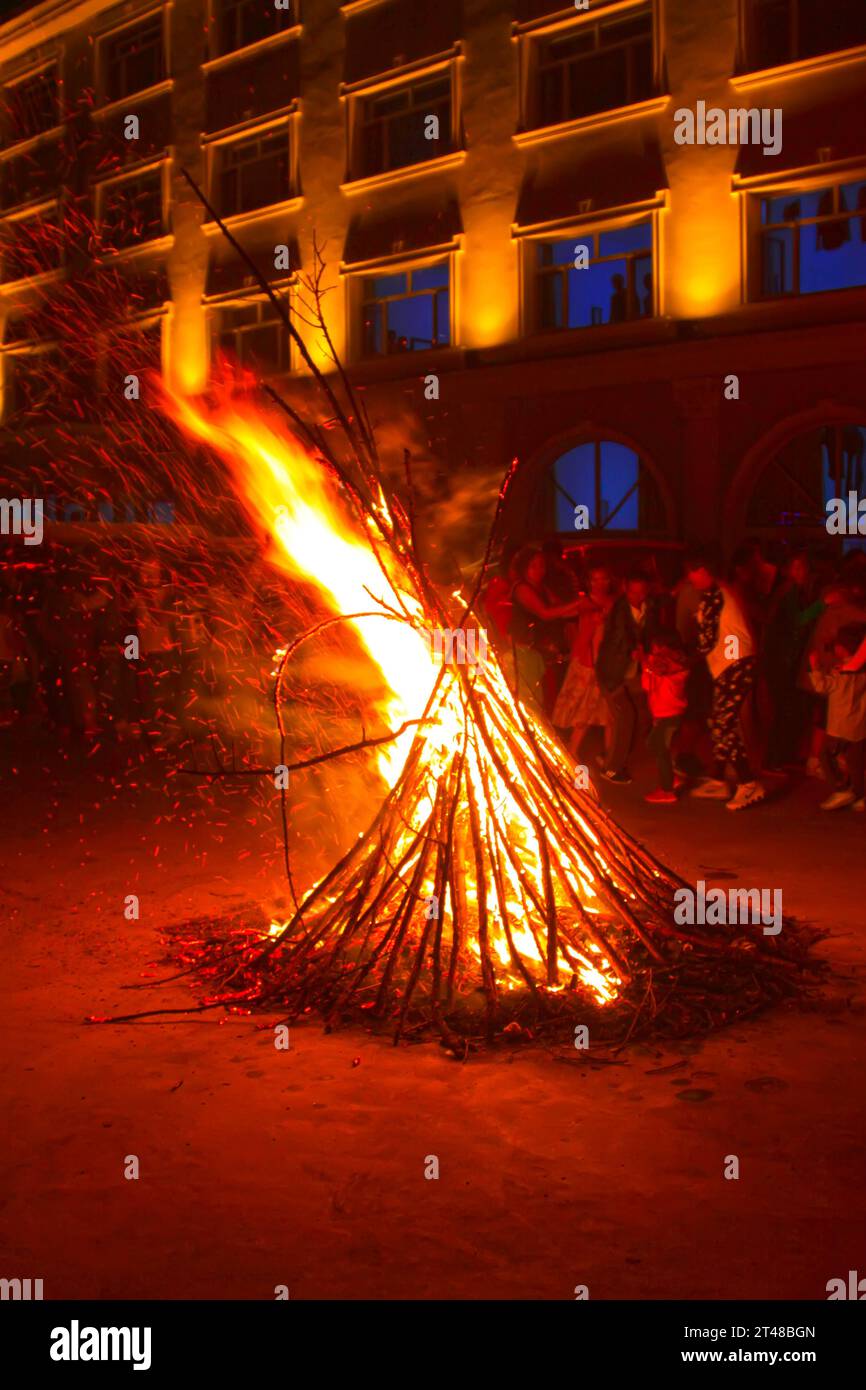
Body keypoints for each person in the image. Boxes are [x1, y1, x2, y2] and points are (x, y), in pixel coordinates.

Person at [685, 551, 766, 811]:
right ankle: (719, 779)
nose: (690, 578)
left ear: (705, 571)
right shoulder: (721, 592)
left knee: (723, 724)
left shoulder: (714, 595)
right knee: (718, 721)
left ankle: (748, 782)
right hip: (730, 665)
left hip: (735, 665)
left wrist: (680, 659)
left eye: (693, 571)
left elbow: (706, 640)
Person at [595, 567, 653, 784]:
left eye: (641, 592)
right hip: (613, 673)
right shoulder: (620, 611)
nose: (637, 596)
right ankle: (612, 768)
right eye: (633, 592)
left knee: (642, 715)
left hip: (632, 672)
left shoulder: (649, 606)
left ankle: (613, 757)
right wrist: (634, 650)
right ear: (626, 590)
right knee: (625, 717)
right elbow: (621, 637)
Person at [552, 563, 615, 758]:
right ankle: (573, 752)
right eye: (595, 579)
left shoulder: (613, 602)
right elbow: (561, 614)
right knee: (583, 711)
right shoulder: (583, 603)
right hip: (587, 664)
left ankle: (609, 758)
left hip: (606, 663)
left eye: (603, 578)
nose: (599, 583)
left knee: (609, 713)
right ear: (589, 582)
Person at [509, 546, 585, 710]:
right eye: (533, 566)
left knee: (550, 693)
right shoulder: (521, 588)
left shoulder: (542, 588)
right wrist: (578, 602)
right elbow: (545, 613)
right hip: (526, 651)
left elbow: (561, 609)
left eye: (541, 565)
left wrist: (587, 607)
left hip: (544, 650)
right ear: (524, 568)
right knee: (534, 696)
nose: (539, 570)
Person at [807, 622, 866, 810]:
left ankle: (841, 789)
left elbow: (822, 686)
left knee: (825, 755)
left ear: (842, 648)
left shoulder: (842, 671)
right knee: (856, 762)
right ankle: (860, 794)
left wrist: (815, 667)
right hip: (859, 725)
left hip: (839, 726)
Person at [641, 629, 691, 804]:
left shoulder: (674, 663)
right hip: (661, 712)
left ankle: (667, 790)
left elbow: (662, 670)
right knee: (656, 745)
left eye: (657, 647)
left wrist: (645, 661)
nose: (654, 650)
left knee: (659, 747)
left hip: (671, 714)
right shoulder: (657, 662)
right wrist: (647, 666)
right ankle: (671, 778)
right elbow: (647, 685)